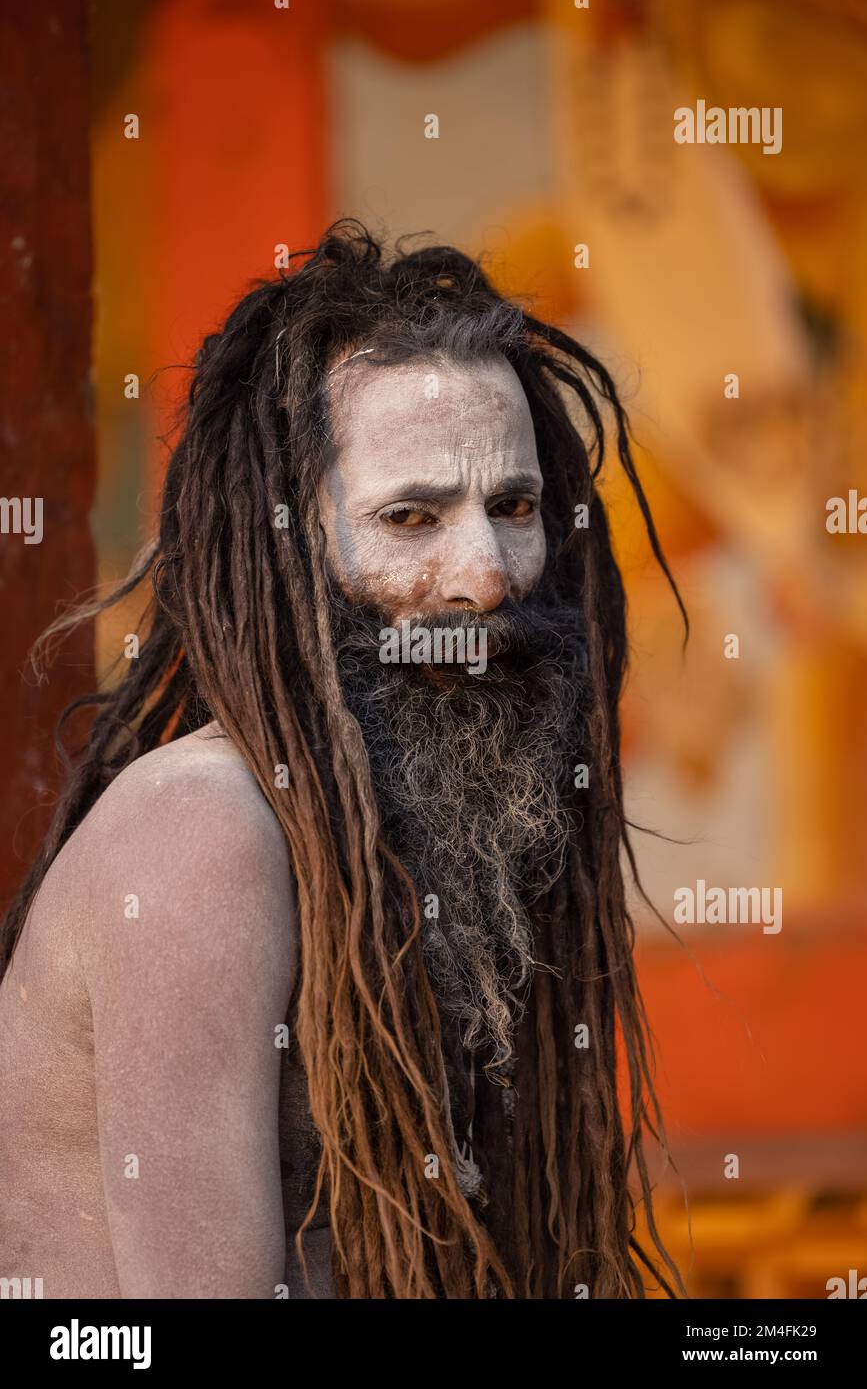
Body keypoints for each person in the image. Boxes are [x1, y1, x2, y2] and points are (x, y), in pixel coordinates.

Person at [0, 221, 687, 1299]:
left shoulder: (441, 830)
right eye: (410, 517)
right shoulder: (205, 829)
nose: (487, 577)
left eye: (513, 508)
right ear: (285, 541)